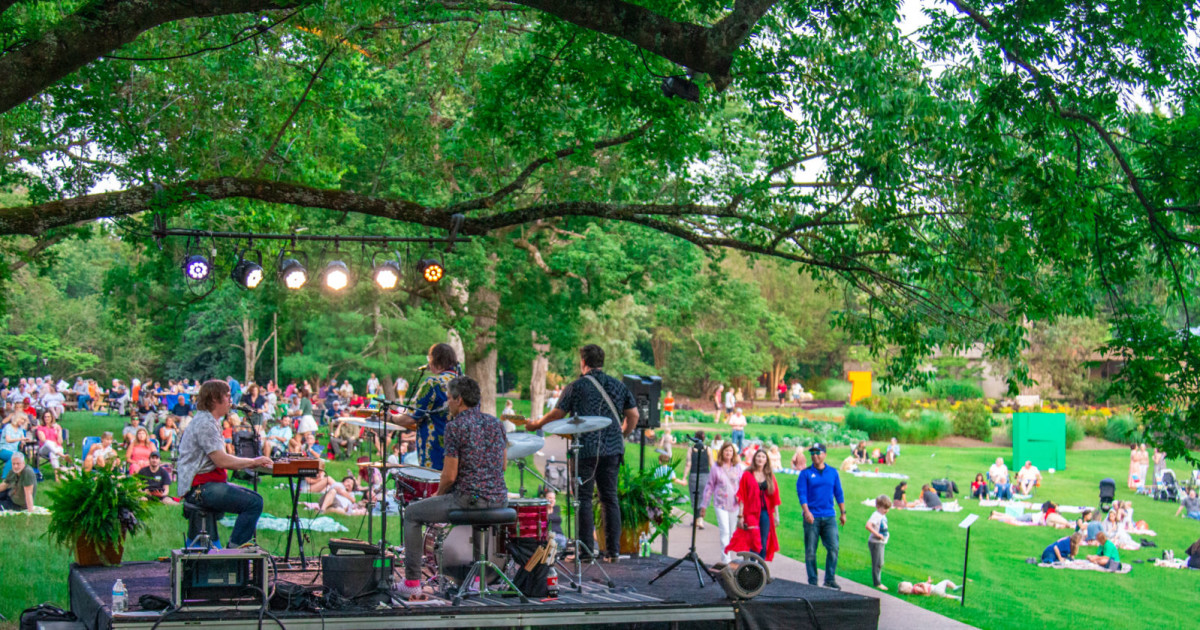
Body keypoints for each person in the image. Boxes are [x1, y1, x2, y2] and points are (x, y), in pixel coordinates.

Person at [395, 375, 509, 599]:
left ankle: (412, 583)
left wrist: (438, 495)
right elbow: (503, 465)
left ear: (459, 400)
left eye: (448, 399)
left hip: (468, 500)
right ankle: (477, 580)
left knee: (412, 513)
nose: (447, 403)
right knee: (480, 515)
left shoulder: (455, 427)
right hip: (499, 500)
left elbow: (449, 475)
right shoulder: (496, 423)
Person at [526, 344, 638, 562]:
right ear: (602, 362)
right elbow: (633, 415)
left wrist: (536, 424)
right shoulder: (618, 386)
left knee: (583, 499)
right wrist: (622, 434)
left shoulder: (575, 387)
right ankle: (613, 552)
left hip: (585, 449)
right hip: (612, 449)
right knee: (610, 498)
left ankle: (586, 552)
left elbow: (557, 414)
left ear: (583, 362)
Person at [176, 379, 274, 547]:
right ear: (215, 398)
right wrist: (252, 462)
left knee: (255, 499)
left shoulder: (209, 420)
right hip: (200, 488)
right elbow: (221, 460)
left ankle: (232, 551)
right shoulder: (205, 423)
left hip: (205, 484)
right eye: (228, 396)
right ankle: (235, 553)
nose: (231, 400)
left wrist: (250, 462)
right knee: (254, 503)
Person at [392, 343, 460, 470]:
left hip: (436, 451)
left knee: (434, 481)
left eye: (429, 358)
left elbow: (411, 417)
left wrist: (390, 418)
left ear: (436, 361)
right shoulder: (466, 383)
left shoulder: (433, 383)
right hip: (461, 452)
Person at [797, 443, 846, 589]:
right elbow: (802, 494)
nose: (814, 456)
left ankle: (829, 579)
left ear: (824, 454)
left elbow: (838, 492)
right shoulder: (805, 473)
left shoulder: (833, 472)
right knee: (811, 550)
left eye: (817, 453)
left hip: (829, 516)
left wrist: (843, 512)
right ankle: (813, 582)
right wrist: (806, 511)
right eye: (812, 453)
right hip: (812, 517)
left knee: (833, 548)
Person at [726, 449, 781, 561]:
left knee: (763, 542)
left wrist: (777, 515)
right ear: (754, 458)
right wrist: (741, 516)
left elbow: (775, 497)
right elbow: (742, 495)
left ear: (766, 460)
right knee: (754, 541)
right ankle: (751, 566)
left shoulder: (769, 476)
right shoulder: (747, 474)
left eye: (763, 457)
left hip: (765, 512)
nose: (760, 459)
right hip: (750, 513)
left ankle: (760, 568)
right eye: (758, 456)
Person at [702, 442, 744, 563]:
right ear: (722, 452)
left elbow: (742, 484)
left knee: (732, 533)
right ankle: (726, 558)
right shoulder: (716, 467)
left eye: (730, 451)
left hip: (734, 504)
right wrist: (704, 505)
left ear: (733, 453)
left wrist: (741, 499)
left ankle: (729, 554)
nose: (728, 453)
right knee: (724, 531)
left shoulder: (737, 467)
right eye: (726, 450)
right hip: (720, 503)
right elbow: (710, 486)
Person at [679, 430, 711, 529]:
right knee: (703, 497)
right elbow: (712, 464)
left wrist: (684, 477)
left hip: (693, 475)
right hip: (705, 475)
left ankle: (696, 518)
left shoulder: (691, 449)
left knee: (694, 497)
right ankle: (700, 519)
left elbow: (688, 464)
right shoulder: (708, 449)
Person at [865, 495, 892, 590]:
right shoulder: (876, 515)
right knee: (877, 563)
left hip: (881, 542)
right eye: (884, 508)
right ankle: (877, 583)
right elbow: (868, 525)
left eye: (888, 508)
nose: (886, 510)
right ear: (878, 506)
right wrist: (878, 534)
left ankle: (878, 581)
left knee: (880, 562)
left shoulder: (882, 515)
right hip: (876, 542)